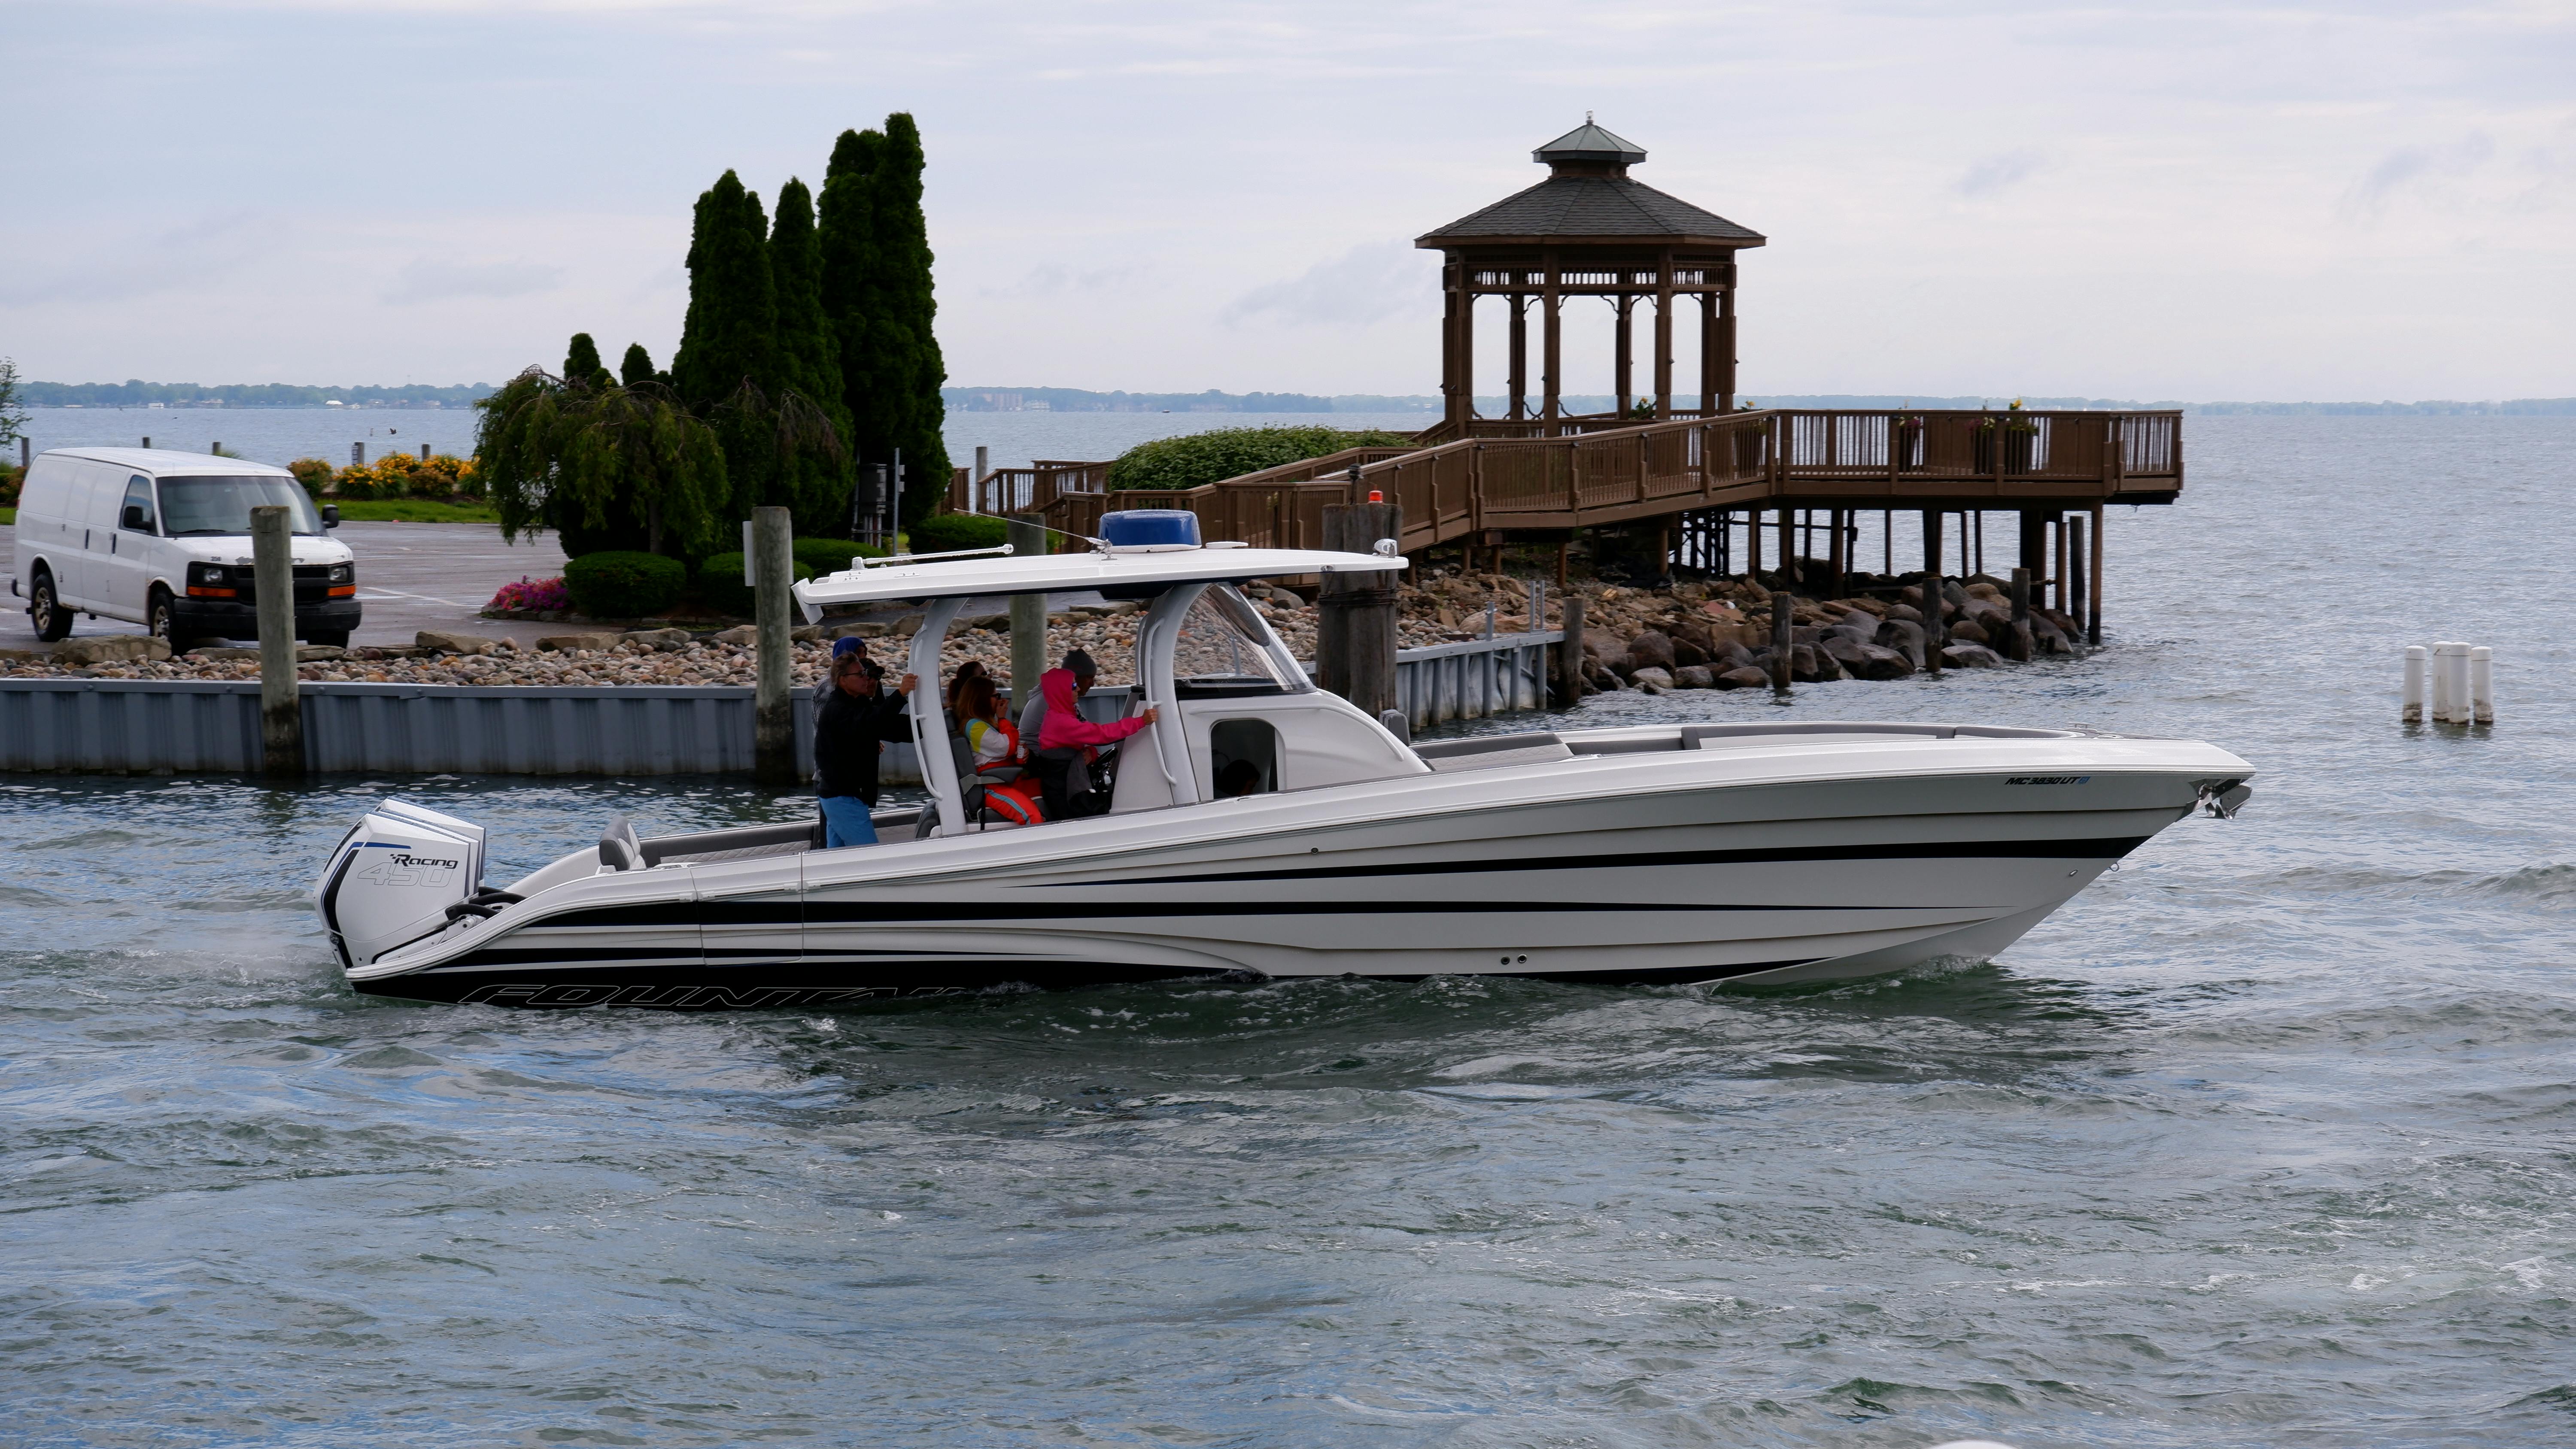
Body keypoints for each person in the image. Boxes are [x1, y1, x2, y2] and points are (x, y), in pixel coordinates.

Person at [813, 652, 917, 847]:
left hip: (843, 796)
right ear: (843, 680)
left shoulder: (857, 703)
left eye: (866, 674)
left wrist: (932, 724)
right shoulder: (838, 709)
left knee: (835, 859)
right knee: (870, 856)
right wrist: (901, 694)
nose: (867, 678)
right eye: (860, 675)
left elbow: (889, 727)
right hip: (843, 797)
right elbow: (872, 722)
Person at [1028, 665, 1158, 820]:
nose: (1078, 690)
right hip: (1064, 794)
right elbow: (1101, 734)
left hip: (1061, 786)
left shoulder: (1058, 715)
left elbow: (1082, 739)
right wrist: (1141, 722)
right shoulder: (1061, 722)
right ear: (1061, 692)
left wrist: (1091, 751)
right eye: (1073, 686)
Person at [1018, 647, 1097, 744]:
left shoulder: (1059, 695)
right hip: (1035, 755)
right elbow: (1087, 734)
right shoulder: (1052, 700)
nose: (1092, 684)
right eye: (1089, 678)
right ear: (1075, 678)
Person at [957, 674, 1020, 773]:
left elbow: (1012, 744)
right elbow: (1007, 748)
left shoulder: (984, 724)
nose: (1000, 700)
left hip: (1006, 775)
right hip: (997, 781)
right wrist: (1002, 719)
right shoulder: (975, 727)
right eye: (996, 696)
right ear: (982, 700)